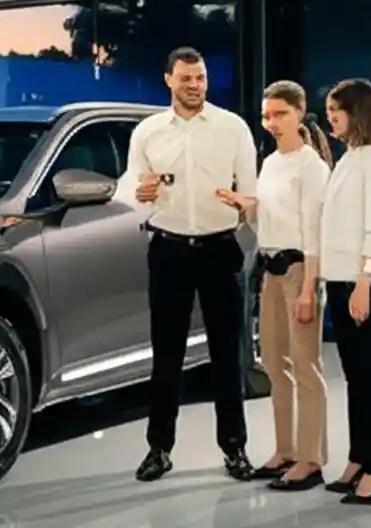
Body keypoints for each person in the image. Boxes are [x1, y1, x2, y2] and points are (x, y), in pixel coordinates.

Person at [118, 46, 259, 482]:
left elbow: (251, 194)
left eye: (199, 77)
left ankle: (234, 450)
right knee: (167, 356)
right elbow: (129, 186)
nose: (194, 85)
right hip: (168, 250)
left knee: (226, 356)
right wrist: (135, 195)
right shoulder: (148, 132)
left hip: (220, 249)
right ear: (169, 81)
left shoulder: (232, 128)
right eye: (186, 78)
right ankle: (158, 449)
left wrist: (243, 206)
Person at [216, 80, 333, 491]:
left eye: (280, 114)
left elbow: (315, 233)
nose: (271, 122)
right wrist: (244, 207)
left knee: (306, 367)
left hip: (300, 270)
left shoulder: (312, 167)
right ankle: (285, 450)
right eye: (266, 115)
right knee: (276, 366)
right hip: (269, 269)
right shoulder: (269, 164)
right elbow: (269, 219)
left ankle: (312, 458)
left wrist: (307, 290)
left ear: (300, 113)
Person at [318, 78, 371, 505]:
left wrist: (364, 282)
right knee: (354, 377)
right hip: (341, 280)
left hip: (364, 282)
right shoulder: (347, 158)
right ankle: (359, 457)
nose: (331, 116)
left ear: (359, 111)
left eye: (338, 109)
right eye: (329, 108)